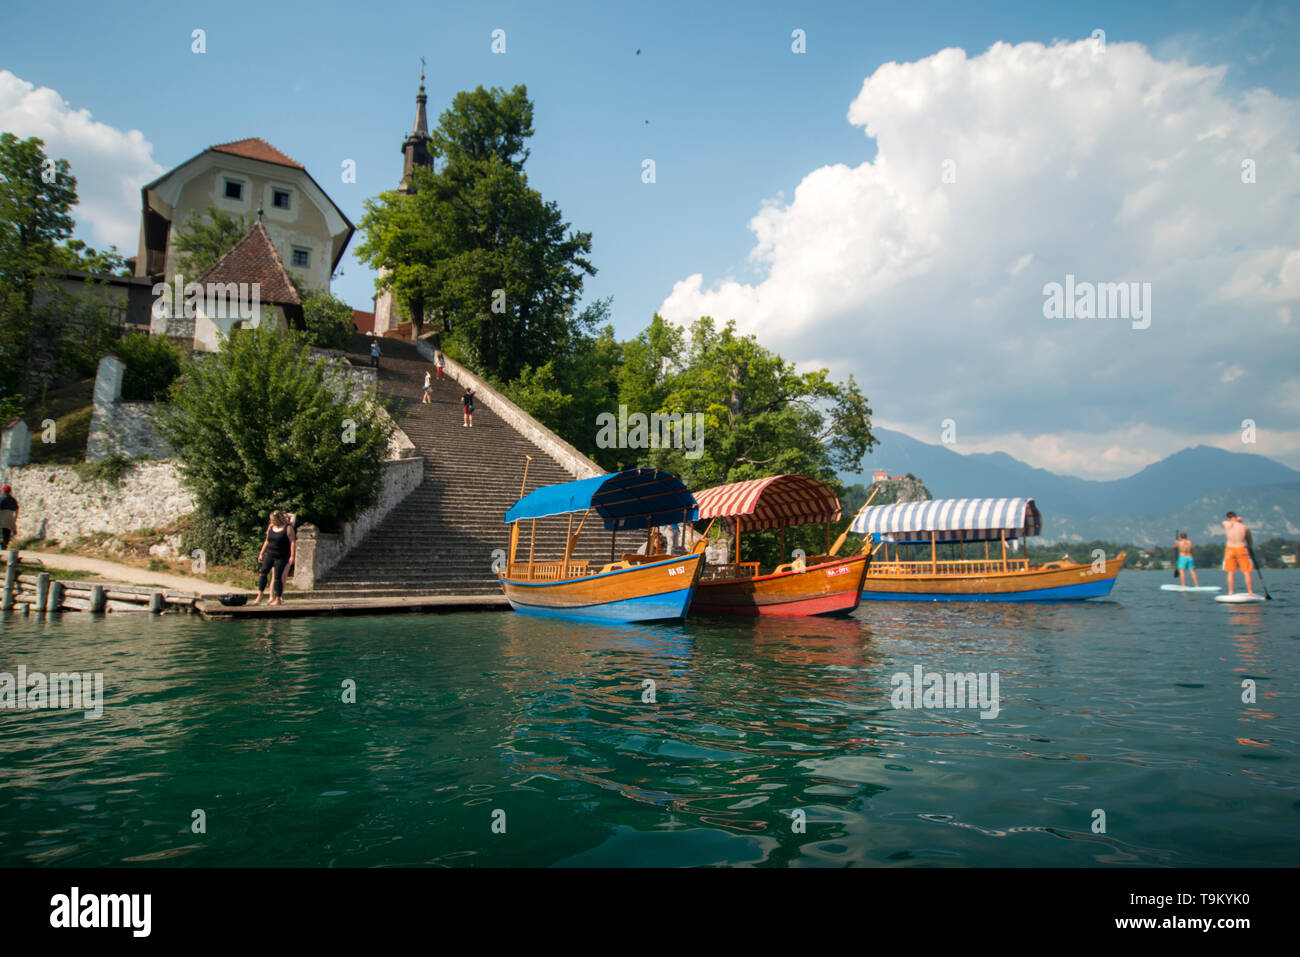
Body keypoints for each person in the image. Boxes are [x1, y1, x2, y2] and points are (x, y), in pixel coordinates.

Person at [253, 511, 296, 606]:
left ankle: (278, 599)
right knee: (263, 572)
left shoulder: (288, 528)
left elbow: (292, 542)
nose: (271, 521)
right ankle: (260, 595)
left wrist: (292, 556)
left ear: (278, 519)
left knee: (278, 577)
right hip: (270, 554)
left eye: (273, 519)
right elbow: (267, 541)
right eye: (271, 519)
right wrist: (261, 553)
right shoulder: (271, 527)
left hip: (281, 556)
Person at [1222, 511, 1255, 597]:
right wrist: (1250, 548)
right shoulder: (1244, 527)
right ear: (1235, 517)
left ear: (1228, 518)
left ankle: (1230, 592)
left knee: (1230, 572)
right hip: (1241, 548)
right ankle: (1250, 592)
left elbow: (1225, 523)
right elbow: (1249, 541)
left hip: (1230, 549)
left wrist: (1234, 521)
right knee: (1246, 572)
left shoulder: (1227, 524)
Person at [0, 485, 17, 551]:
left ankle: (2, 545)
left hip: (2, 514)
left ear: (4, 491)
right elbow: (16, 509)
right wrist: (14, 518)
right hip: (10, 516)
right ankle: (4, 545)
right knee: (7, 531)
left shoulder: (1, 497)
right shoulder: (13, 499)